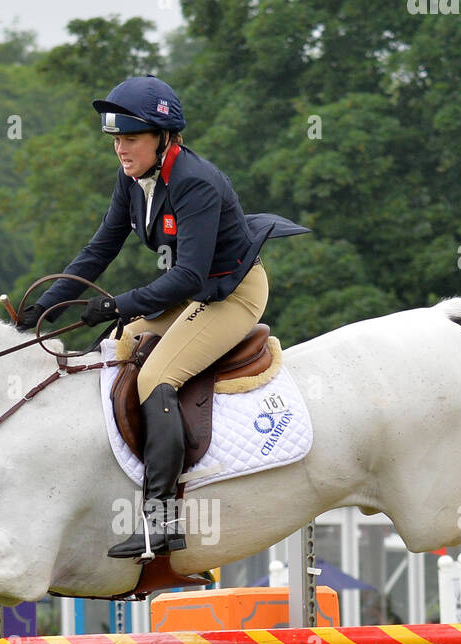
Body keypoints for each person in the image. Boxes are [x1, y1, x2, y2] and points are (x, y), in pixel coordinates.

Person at [20, 75, 309, 561]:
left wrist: (118, 304)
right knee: (117, 350)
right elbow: (99, 250)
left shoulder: (195, 182)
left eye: (131, 138)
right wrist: (47, 307)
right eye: (116, 138)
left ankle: (162, 522)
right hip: (193, 289)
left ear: (164, 137)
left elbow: (191, 276)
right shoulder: (132, 179)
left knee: (156, 377)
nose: (120, 148)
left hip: (232, 293)